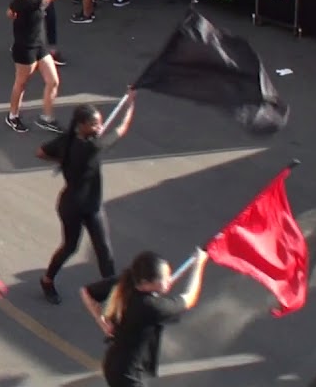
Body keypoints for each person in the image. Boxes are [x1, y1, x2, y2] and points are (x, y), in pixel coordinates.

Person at [36, 97, 137, 304]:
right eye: (95, 124)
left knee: (104, 250)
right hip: (74, 208)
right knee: (70, 247)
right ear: (82, 125)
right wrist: (130, 105)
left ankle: (111, 293)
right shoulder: (92, 147)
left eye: (100, 122)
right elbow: (121, 129)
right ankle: (47, 280)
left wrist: (64, 160)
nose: (99, 127)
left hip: (89, 205)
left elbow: (41, 152)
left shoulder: (67, 140)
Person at [81, 249, 208, 387]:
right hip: (127, 375)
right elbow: (189, 298)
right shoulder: (150, 307)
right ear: (146, 283)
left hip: (116, 363)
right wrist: (199, 265)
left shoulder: (127, 281)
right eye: (164, 279)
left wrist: (101, 321)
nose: (169, 280)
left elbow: (86, 292)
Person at [5, 0, 79, 134]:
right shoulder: (27, 2)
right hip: (25, 49)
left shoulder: (20, 1)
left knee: (53, 81)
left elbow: (9, 12)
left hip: (40, 46)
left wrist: (13, 16)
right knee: (21, 83)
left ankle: (47, 118)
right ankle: (12, 116)